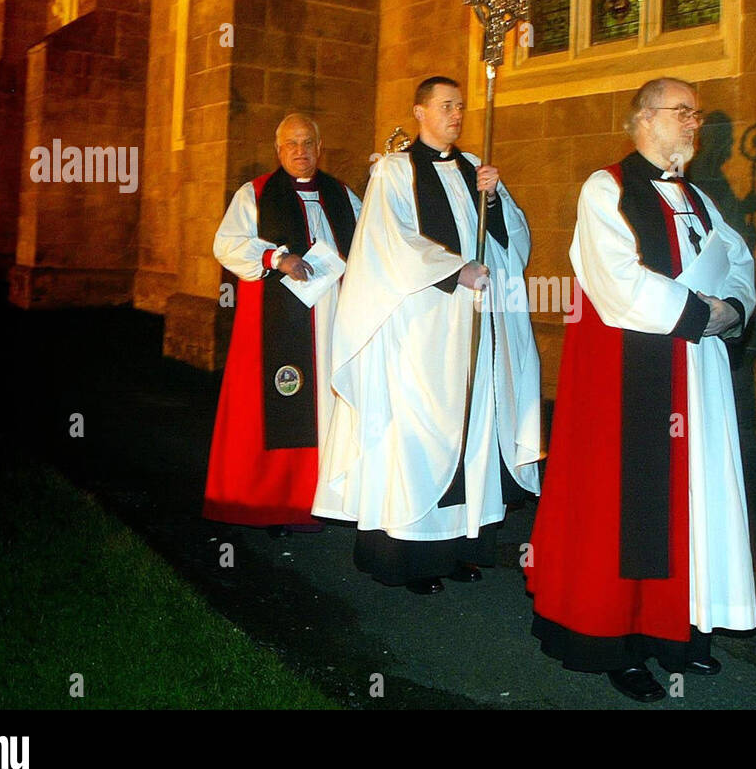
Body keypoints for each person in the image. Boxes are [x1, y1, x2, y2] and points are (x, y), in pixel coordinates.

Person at [526, 77, 756, 703]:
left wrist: (733, 306)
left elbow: (737, 258)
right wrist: (700, 313)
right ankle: (616, 640)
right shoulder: (607, 188)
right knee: (627, 510)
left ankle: (675, 631)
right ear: (644, 119)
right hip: (630, 375)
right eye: (682, 112)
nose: (693, 124)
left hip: (696, 373)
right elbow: (617, 280)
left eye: (697, 115)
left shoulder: (699, 198)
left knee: (691, 498)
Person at [314, 76, 541, 594]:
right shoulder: (394, 171)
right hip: (422, 330)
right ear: (419, 111)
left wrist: (498, 201)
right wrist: (453, 271)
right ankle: (405, 558)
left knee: (472, 430)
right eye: (445, 106)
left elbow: (515, 246)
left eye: (461, 106)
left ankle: (459, 545)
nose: (456, 115)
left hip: (474, 326)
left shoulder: (474, 170)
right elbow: (385, 242)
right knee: (422, 435)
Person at [203, 114, 361, 537]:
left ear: (319, 145)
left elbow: (371, 243)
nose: (299, 151)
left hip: (335, 319)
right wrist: (277, 258)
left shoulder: (343, 195)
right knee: (282, 405)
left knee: (331, 405)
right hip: (279, 323)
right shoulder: (255, 193)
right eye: (290, 143)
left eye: (307, 142)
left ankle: (327, 499)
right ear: (278, 149)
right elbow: (227, 243)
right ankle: (278, 502)